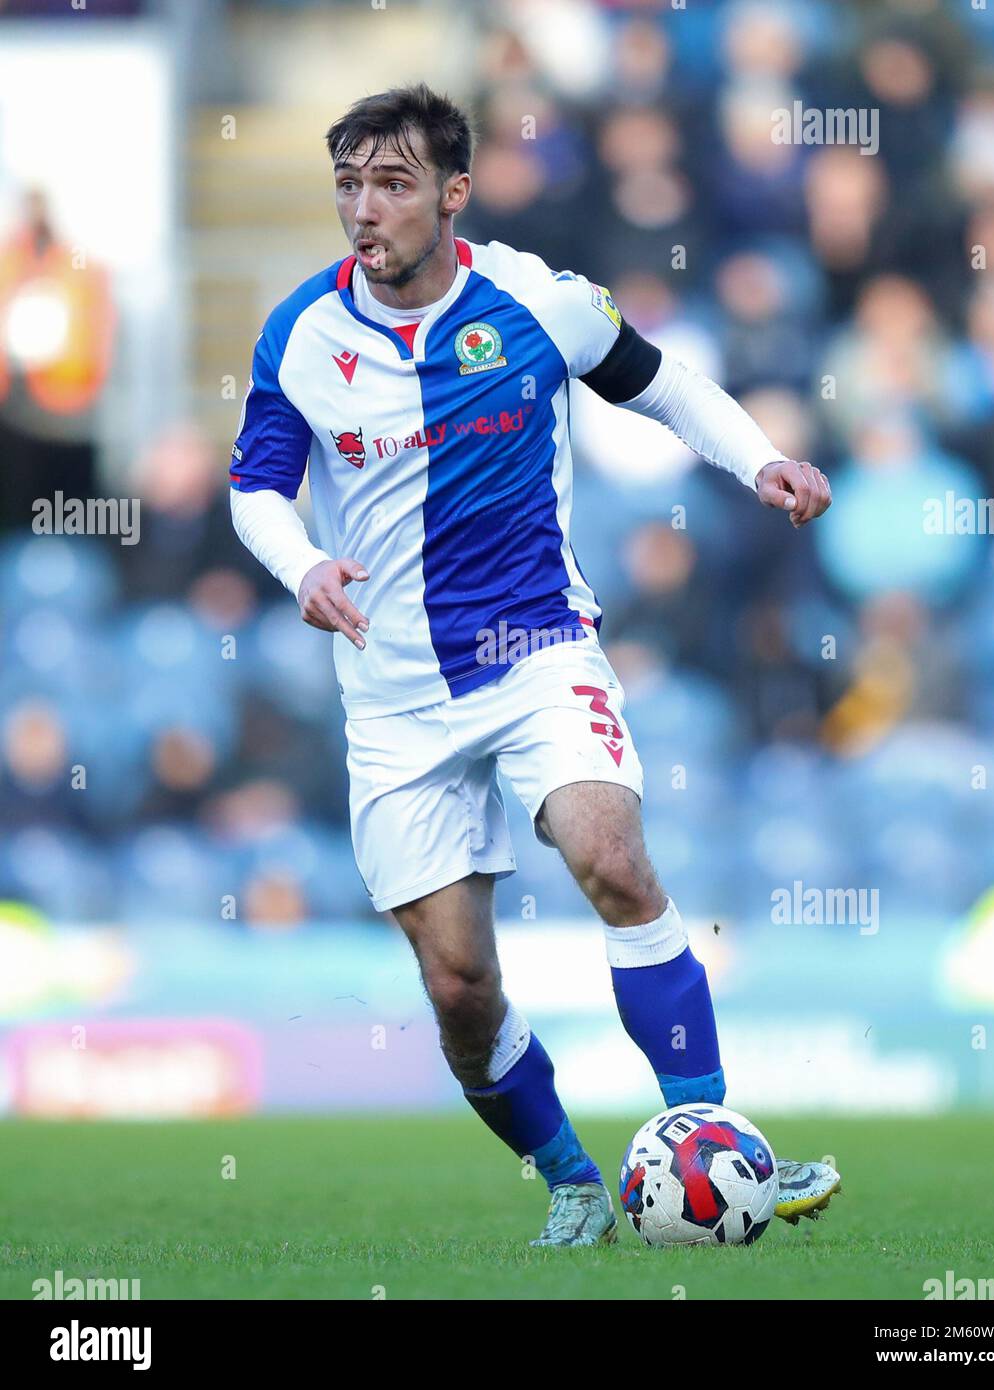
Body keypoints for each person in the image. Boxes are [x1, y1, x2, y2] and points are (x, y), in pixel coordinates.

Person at [230, 84, 836, 1246]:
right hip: (393, 693)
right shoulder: (302, 333)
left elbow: (656, 381)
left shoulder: (533, 299)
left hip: (535, 650)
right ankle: (568, 1178)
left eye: (392, 183)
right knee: (459, 988)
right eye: (348, 184)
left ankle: (710, 1142)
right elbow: (256, 485)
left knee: (607, 854)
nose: (364, 209)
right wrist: (302, 565)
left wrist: (758, 459)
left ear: (454, 193)